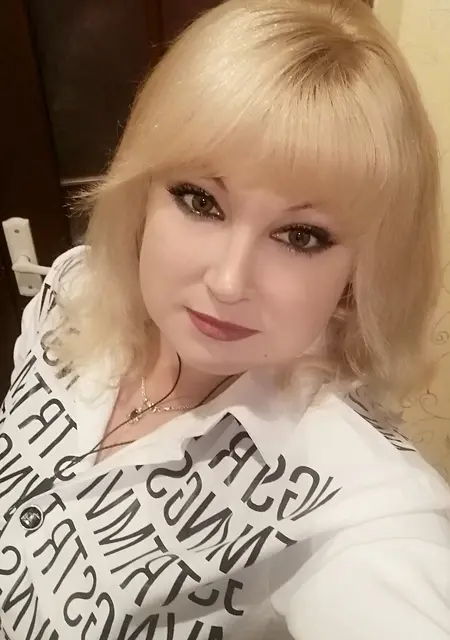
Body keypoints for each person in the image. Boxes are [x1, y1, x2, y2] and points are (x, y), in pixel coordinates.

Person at [1, 0, 449, 638]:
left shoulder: (358, 505)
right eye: (199, 200)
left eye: (301, 236)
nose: (228, 282)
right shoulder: (73, 289)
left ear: (360, 272)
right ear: (143, 191)